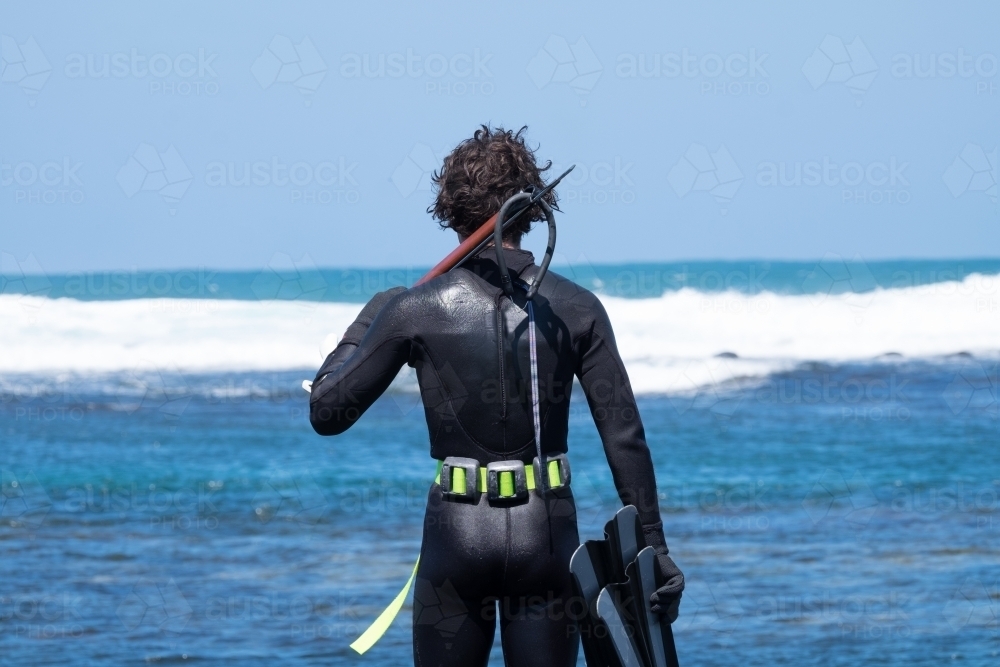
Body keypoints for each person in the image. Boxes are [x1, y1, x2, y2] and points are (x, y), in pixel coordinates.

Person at [309, 126, 683, 667]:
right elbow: (624, 436)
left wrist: (377, 314)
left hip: (456, 535)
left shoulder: (414, 308)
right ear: (529, 208)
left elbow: (326, 411)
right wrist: (655, 547)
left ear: (450, 209)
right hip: (548, 535)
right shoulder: (578, 307)